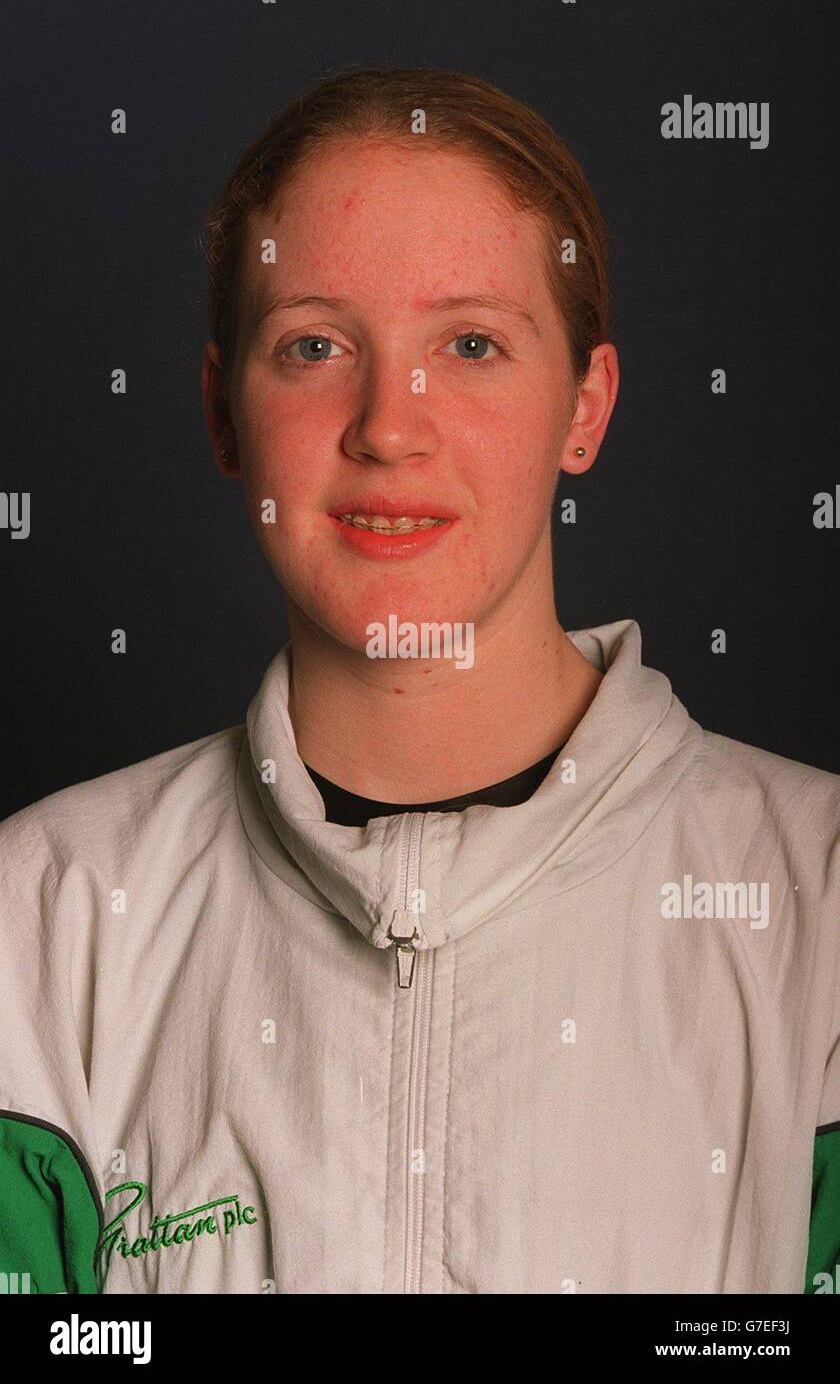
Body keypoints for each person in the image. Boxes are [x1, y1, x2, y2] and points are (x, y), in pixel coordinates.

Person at [1, 66, 838, 1296]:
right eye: (315, 345)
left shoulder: (816, 906)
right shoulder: (40, 924)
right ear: (223, 414)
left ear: (584, 409)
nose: (391, 423)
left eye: (472, 342)